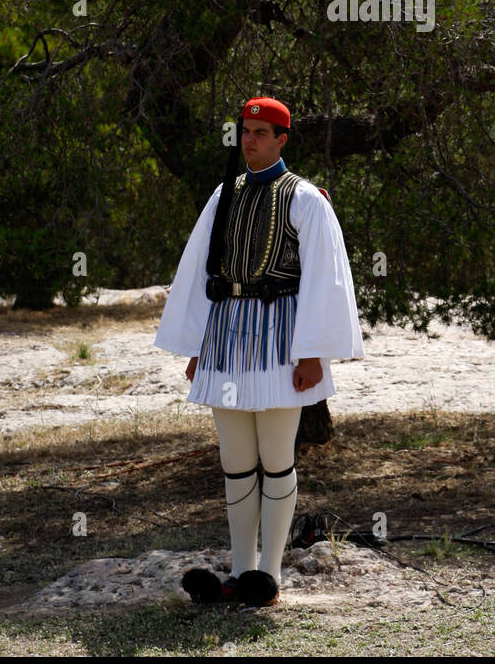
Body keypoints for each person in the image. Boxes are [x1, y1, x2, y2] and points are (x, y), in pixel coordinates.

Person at [154, 96, 364, 606]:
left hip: (280, 342)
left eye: (261, 132)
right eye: (245, 131)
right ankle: (240, 571)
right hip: (226, 338)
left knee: (276, 459)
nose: (250, 140)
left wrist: (313, 352)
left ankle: (268, 577)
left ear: (282, 139)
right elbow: (200, 273)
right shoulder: (222, 196)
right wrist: (197, 345)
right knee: (236, 462)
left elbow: (323, 279)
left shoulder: (307, 199)